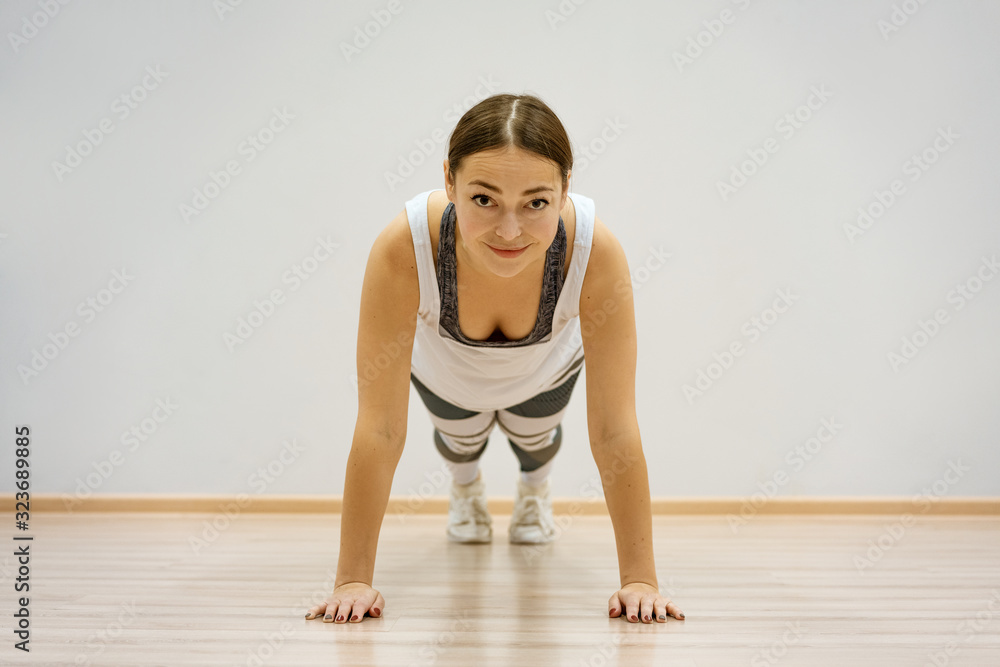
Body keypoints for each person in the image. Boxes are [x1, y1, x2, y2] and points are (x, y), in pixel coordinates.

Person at [305, 93, 685, 626]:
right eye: (484, 200)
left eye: (536, 203)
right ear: (450, 182)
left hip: (543, 372)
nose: (510, 230)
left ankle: (534, 492)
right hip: (447, 376)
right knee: (461, 442)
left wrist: (640, 580)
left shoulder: (594, 250)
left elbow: (614, 428)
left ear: (565, 190)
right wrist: (352, 581)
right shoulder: (404, 247)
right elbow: (381, 428)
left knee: (536, 440)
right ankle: (466, 490)